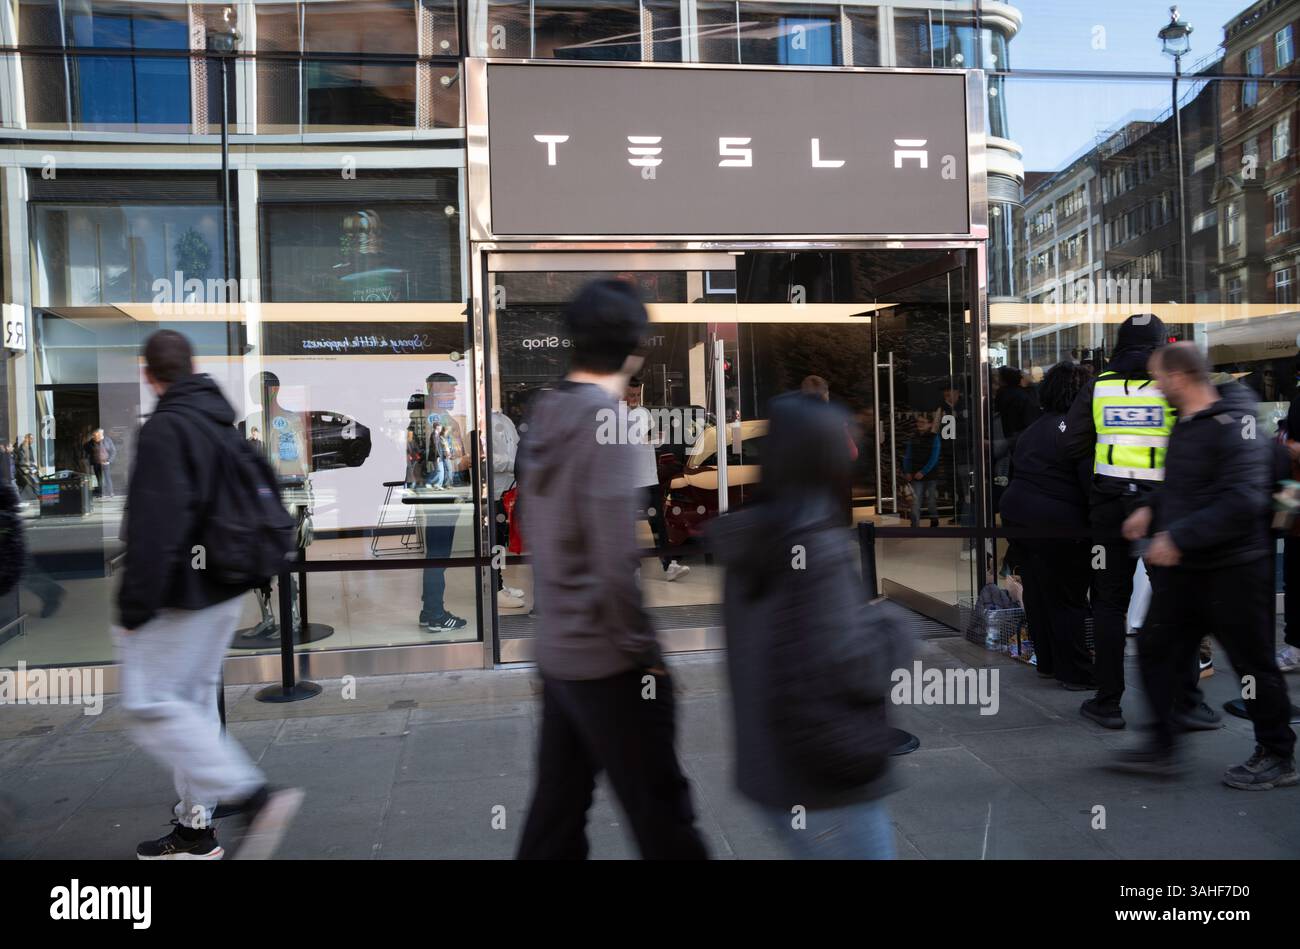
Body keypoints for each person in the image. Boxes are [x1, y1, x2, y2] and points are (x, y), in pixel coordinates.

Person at [515, 279, 707, 860]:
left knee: (557, 814)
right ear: (635, 349)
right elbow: (609, 559)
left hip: (559, 652)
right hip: (608, 660)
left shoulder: (547, 412)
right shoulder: (609, 422)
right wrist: (644, 655)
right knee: (663, 813)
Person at [118, 330, 303, 858]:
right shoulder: (223, 425)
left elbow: (155, 528)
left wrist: (135, 606)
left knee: (149, 701)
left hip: (183, 597)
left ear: (149, 375)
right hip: (223, 588)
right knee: (192, 711)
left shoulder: (166, 430)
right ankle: (196, 830)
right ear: (191, 367)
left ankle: (254, 796)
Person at [714, 391, 905, 859]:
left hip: (770, 764)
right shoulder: (816, 546)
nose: (855, 452)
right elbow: (855, 666)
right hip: (826, 768)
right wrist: (892, 626)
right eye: (845, 440)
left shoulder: (749, 534)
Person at [1115, 343, 1296, 789]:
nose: (1155, 386)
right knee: (1157, 650)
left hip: (1236, 569)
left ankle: (1277, 753)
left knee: (1252, 665)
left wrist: (1177, 536)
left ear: (1179, 377)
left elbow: (1243, 499)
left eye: (1158, 377)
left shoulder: (1236, 424)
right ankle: (1161, 746)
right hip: (1188, 572)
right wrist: (1151, 509)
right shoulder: (1188, 423)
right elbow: (1184, 488)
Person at [1064, 314, 1210, 731]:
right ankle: (1187, 701)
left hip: (1109, 507)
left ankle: (1108, 702)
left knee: (1109, 603)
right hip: (1164, 507)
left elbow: (1071, 443)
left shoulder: (1098, 386)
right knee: (1173, 603)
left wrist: (1096, 481)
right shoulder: (1171, 386)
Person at [999, 362, 1095, 689]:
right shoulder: (1077, 429)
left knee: (1039, 592)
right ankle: (1077, 672)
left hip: (1018, 515)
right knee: (1068, 596)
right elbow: (1088, 483)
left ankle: (1049, 663)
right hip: (1057, 521)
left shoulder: (1035, 428)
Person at [414, 371, 469, 633]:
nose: (453, 395)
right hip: (439, 495)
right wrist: (465, 460)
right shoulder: (433, 421)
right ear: (434, 389)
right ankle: (436, 614)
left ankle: (429, 610)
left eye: (454, 390)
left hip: (440, 493)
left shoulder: (435, 419)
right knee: (438, 554)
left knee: (437, 554)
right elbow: (441, 461)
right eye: (450, 390)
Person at [627, 377, 689, 582]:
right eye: (631, 395)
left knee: (658, 523)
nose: (635, 399)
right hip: (628, 480)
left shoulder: (643, 413)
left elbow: (646, 438)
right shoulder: (614, 415)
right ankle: (632, 567)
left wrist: (655, 438)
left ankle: (669, 564)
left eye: (637, 395)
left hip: (648, 477)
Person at [1278, 351, 1300, 673]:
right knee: (1294, 570)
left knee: (1295, 572)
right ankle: (1294, 645)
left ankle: (1294, 647)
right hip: (1292, 490)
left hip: (1293, 489)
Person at [902, 412, 941, 528]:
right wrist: (907, 471)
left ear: (930, 424)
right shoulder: (913, 438)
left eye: (922, 422)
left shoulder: (935, 438)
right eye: (918, 422)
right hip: (915, 475)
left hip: (930, 476)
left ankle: (934, 519)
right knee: (915, 502)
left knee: (931, 502)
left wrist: (923, 472)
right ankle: (915, 526)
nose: (919, 424)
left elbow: (934, 458)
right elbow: (907, 456)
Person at [83, 428, 117, 498]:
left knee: (107, 478)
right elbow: (86, 448)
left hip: (105, 463)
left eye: (96, 436)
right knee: (99, 478)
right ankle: (101, 493)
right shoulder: (91, 442)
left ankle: (110, 492)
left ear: (101, 435)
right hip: (96, 463)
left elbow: (113, 451)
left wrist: (109, 461)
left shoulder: (107, 440)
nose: (95, 437)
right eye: (94, 436)